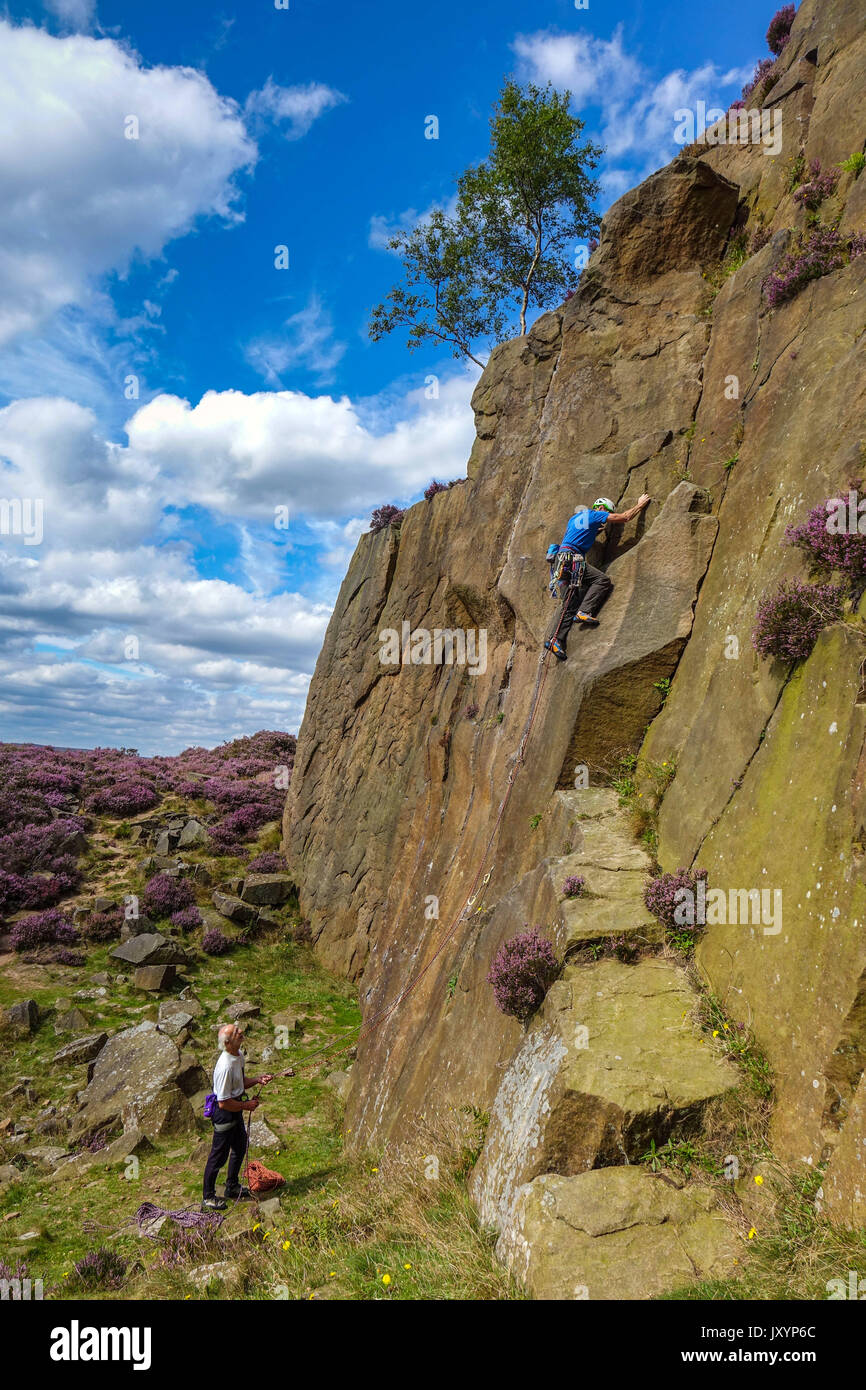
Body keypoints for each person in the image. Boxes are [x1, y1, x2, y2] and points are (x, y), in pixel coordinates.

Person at [545, 493, 651, 660]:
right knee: (601, 580)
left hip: (560, 561)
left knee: (569, 602)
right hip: (572, 559)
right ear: (602, 508)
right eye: (605, 514)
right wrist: (639, 505)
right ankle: (584, 611)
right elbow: (625, 517)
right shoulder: (595, 514)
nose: (604, 520)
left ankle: (554, 639)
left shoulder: (575, 519)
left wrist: (596, 529)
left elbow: (580, 534)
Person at [202, 1022, 273, 1211]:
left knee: (240, 1146)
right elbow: (224, 1102)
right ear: (227, 1043)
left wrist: (258, 1079)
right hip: (224, 1114)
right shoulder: (224, 1067)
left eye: (238, 1029)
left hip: (235, 1110)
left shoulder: (238, 1056)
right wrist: (246, 1106)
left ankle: (232, 1187)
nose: (240, 1031)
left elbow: (240, 1082)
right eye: (235, 1032)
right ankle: (208, 1196)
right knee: (218, 1156)